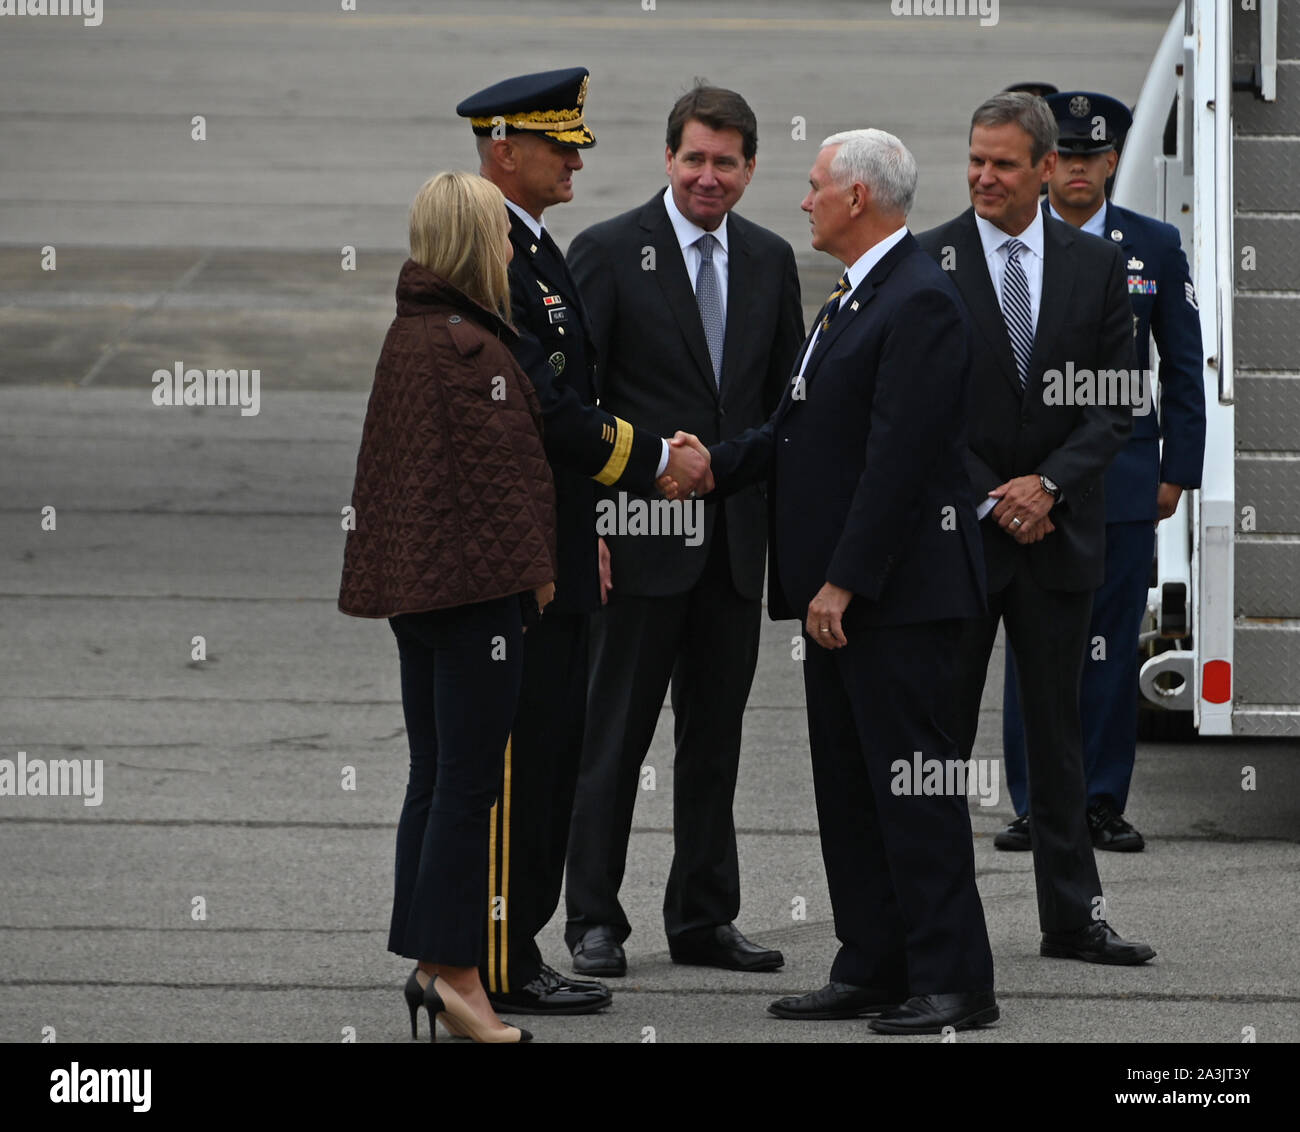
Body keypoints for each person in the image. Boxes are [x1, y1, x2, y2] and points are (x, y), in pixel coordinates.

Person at [670, 128, 999, 1033]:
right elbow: (796, 431)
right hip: (849, 605)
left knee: (915, 790)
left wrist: (843, 582)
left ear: (858, 197)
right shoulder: (857, 299)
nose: (803, 200)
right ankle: (875, 962)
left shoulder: (921, 299)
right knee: (850, 793)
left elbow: (899, 462)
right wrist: (709, 466)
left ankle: (955, 979)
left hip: (899, 602)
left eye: (816, 186)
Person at [454, 67, 709, 1016]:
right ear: (502, 149)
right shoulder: (491, 256)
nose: (574, 159)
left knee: (554, 750)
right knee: (520, 761)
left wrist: (590, 521)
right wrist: (650, 465)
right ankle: (492, 957)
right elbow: (548, 407)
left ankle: (516, 945)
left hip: (558, 539)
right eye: (558, 146)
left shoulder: (533, 246)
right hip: (521, 554)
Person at [561, 82, 805, 979]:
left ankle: (703, 919)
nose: (709, 176)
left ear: (749, 169)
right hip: (632, 545)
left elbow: (789, 412)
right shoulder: (609, 252)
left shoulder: (773, 261)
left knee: (714, 744)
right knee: (613, 739)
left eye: (726, 162)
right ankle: (593, 919)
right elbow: (572, 410)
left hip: (734, 550)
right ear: (669, 159)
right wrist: (582, 525)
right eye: (694, 158)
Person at [917, 92, 1155, 964]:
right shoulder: (928, 260)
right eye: (976, 159)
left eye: (1005, 163)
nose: (984, 176)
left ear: (1048, 170)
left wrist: (1047, 486)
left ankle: (1073, 918)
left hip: (1058, 536)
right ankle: (937, 923)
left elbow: (1113, 401)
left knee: (1057, 738)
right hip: (962, 539)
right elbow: (922, 408)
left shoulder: (1096, 269)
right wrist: (995, 495)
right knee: (939, 743)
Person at [338, 171, 557, 1043]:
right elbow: (511, 486)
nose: (511, 248)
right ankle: (460, 976)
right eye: (500, 236)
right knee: (469, 787)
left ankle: (431, 963)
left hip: (418, 594)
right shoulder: (473, 347)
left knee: (432, 778)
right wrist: (538, 576)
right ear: (477, 244)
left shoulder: (411, 334)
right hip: (475, 600)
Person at [996, 91, 1206, 855]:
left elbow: (1184, 367)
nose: (1079, 171)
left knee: (1109, 646)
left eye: (1094, 157)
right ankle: (1032, 803)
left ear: (1113, 161)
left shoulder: (1153, 245)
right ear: (1047, 164)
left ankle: (1100, 801)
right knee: (1032, 642)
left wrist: (1177, 471)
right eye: (1068, 158)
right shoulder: (1013, 242)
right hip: (1031, 482)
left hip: (1121, 480)